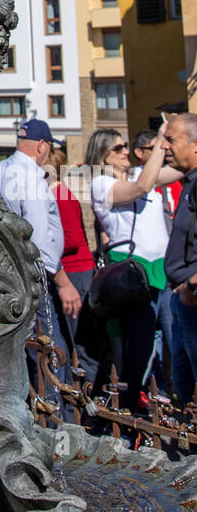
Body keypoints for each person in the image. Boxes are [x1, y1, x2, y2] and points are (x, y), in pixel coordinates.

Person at [87, 125, 179, 413]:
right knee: (136, 345)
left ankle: (138, 399)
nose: (125, 151)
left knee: (164, 340)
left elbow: (180, 171)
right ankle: (124, 409)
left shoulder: (142, 174)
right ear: (102, 155)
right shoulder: (101, 184)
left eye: (125, 146)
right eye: (118, 148)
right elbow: (141, 189)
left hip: (158, 270)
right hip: (129, 274)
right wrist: (163, 140)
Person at [0, 120, 80, 401]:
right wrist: (62, 281)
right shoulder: (31, 178)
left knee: (23, 346)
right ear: (41, 146)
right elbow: (39, 241)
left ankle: (33, 406)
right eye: (49, 148)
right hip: (35, 277)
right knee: (49, 348)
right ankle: (53, 416)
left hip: (6, 272)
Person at [48, 145, 100, 389]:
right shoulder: (55, 193)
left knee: (82, 339)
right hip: (70, 270)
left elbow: (72, 239)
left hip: (76, 271)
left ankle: (90, 394)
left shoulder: (60, 195)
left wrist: (43, 245)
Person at [132, 128, 179, 395]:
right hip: (152, 272)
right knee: (155, 340)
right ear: (141, 153)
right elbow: (144, 183)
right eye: (157, 148)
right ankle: (159, 391)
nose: (165, 152)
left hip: (170, 271)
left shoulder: (176, 176)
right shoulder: (140, 178)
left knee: (174, 338)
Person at [162, 114, 197, 405]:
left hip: (193, 298)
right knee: (185, 391)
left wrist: (192, 285)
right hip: (183, 299)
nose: (164, 146)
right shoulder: (189, 180)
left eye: (171, 140)